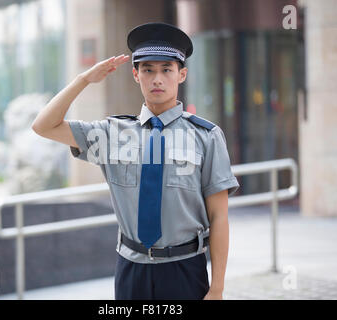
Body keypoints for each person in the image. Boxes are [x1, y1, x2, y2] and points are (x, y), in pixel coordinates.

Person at [31, 22, 239, 300]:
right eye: (148, 70)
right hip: (131, 269)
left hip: (185, 269)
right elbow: (43, 126)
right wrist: (83, 79)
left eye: (166, 70)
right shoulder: (112, 133)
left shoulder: (207, 136)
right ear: (135, 74)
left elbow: (219, 217)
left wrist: (218, 288)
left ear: (182, 74)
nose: (157, 79)